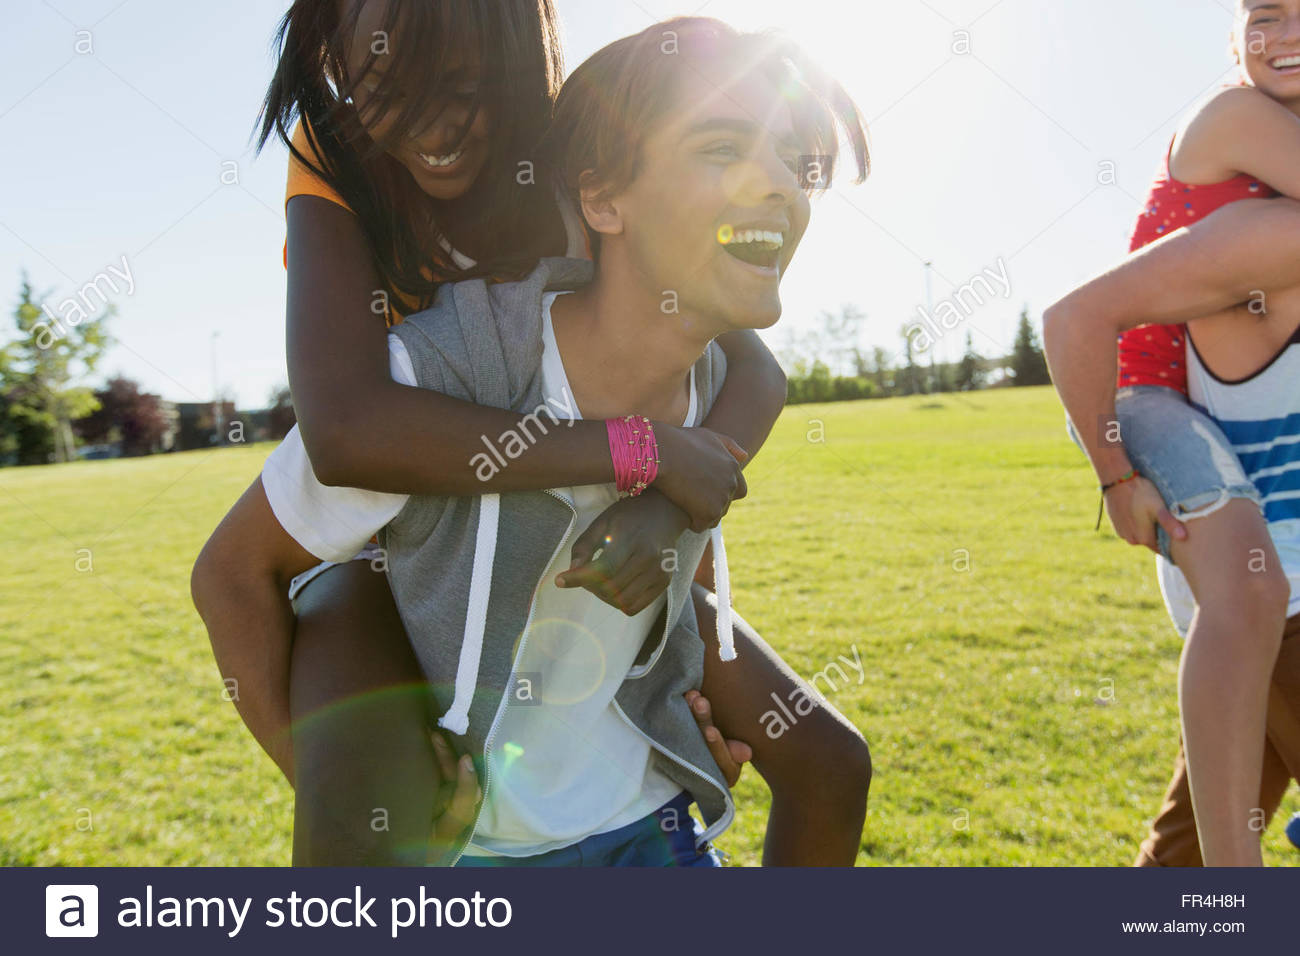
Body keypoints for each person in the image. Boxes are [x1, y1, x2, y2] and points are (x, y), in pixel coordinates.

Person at [193, 14, 872, 866]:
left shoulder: (563, 144)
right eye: (385, 90)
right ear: (335, 64)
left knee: (829, 759)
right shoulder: (335, 155)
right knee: (370, 824)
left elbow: (751, 372)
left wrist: (671, 515)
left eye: (466, 92)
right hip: (383, 528)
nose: (431, 126)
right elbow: (348, 430)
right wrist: (636, 453)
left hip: (572, 510)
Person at [1045, 0, 1300, 866]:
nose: (1284, 36)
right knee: (1251, 595)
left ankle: (1200, 898)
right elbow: (1079, 319)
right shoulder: (1232, 118)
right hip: (1143, 393)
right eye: (1264, 17)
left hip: (1204, 404)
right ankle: (1235, 893)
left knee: (1191, 837)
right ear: (1235, 42)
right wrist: (1117, 476)